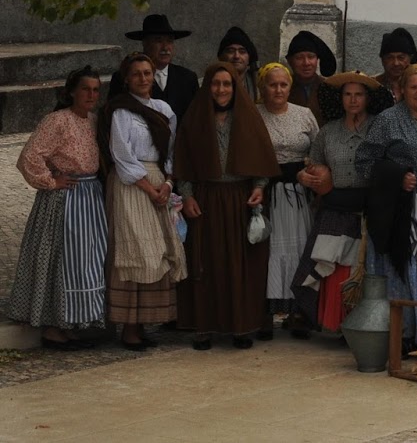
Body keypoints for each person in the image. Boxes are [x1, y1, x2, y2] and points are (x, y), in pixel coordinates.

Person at [175, 63, 278, 350]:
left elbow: (261, 157)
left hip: (239, 199)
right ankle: (204, 328)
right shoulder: (195, 119)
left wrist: (259, 187)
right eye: (215, 84)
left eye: (227, 84)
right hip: (205, 199)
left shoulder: (248, 118)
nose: (221, 90)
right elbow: (183, 160)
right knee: (206, 262)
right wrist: (187, 195)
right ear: (207, 87)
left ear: (235, 87)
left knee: (239, 264)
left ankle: (241, 327)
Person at [7, 68, 108, 349]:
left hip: (90, 197)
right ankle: (53, 327)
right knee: (60, 260)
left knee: (86, 261)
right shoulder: (57, 120)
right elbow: (29, 156)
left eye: (96, 90)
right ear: (72, 92)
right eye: (85, 89)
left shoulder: (94, 121)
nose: (91, 95)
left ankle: (73, 322)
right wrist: (51, 181)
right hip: (65, 198)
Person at [99, 53, 186, 351]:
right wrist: (150, 189)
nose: (143, 78)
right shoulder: (121, 112)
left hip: (159, 181)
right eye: (136, 74)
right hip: (131, 185)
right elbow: (121, 156)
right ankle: (129, 327)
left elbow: (172, 152)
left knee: (159, 250)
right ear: (126, 79)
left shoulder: (164, 110)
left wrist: (169, 184)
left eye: (147, 73)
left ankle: (146, 322)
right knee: (135, 251)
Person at [357, 64, 417, 344]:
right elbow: (364, 162)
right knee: (406, 267)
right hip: (401, 203)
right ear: (402, 89)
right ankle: (405, 333)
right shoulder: (388, 120)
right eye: (413, 87)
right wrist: (397, 177)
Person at [291, 71, 379, 333]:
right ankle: (337, 324)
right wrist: (303, 176)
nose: (353, 100)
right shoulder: (328, 132)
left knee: (361, 268)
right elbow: (313, 164)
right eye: (347, 94)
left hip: (368, 212)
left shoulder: (379, 129)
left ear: (367, 98)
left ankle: (361, 326)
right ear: (340, 98)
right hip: (334, 210)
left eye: (359, 94)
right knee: (333, 268)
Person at [255, 62, 323, 338]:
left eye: (283, 84)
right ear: (263, 87)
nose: (279, 90)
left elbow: (317, 150)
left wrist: (310, 173)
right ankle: (264, 314)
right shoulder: (254, 115)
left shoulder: (304, 114)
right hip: (267, 192)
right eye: (272, 85)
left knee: (300, 249)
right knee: (268, 251)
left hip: (299, 195)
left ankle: (298, 313)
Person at [109, 14, 199, 121]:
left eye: (170, 41)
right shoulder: (123, 78)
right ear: (145, 43)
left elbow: (196, 118)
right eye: (158, 41)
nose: (165, 47)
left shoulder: (188, 78)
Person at [285, 30, 341, 124]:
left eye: (311, 57)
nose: (306, 63)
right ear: (290, 61)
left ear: (317, 59)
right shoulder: (283, 88)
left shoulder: (329, 89)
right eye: (299, 58)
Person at [370, 27, 417, 114]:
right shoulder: (373, 86)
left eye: (401, 57)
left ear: (410, 58)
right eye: (390, 58)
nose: (396, 63)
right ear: (382, 60)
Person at [218, 26, 260, 103]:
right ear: (221, 57)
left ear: (249, 59)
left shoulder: (259, 87)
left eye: (242, 52)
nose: (236, 56)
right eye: (231, 51)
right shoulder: (206, 84)